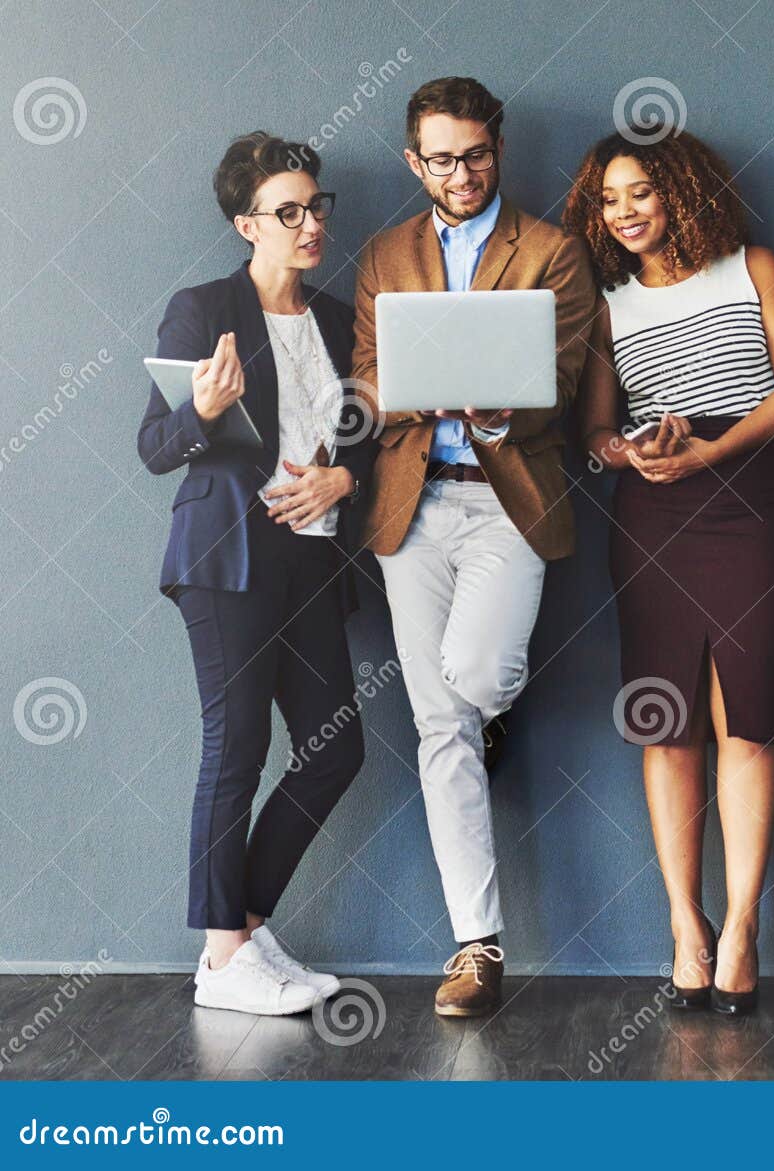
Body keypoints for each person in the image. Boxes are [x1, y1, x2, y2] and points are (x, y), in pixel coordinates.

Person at [352, 77, 598, 1017]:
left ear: (499, 147)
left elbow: (566, 377)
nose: (462, 173)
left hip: (509, 499)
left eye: (478, 153)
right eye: (442, 158)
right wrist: (425, 391)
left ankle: (491, 704)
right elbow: (369, 385)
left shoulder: (551, 250)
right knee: (438, 729)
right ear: (416, 163)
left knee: (474, 678)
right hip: (410, 509)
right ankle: (477, 946)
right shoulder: (384, 255)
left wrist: (506, 404)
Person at [569, 127, 774, 1015]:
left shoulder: (752, 266)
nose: (624, 212)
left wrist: (714, 450)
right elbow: (597, 433)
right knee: (666, 721)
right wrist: (628, 450)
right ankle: (686, 924)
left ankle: (744, 926)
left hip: (752, 502)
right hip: (652, 514)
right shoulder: (607, 303)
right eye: (608, 199)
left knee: (745, 718)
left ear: (682, 190)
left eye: (639, 191)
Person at [137, 131, 373, 1015]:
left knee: (335, 748)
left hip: (313, 561)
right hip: (224, 559)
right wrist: (200, 410)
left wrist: (346, 475)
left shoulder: (345, 318)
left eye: (318, 205)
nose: (311, 223)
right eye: (289, 211)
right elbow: (154, 447)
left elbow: (375, 439)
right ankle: (219, 956)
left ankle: (244, 926)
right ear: (248, 224)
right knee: (235, 747)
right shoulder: (201, 309)